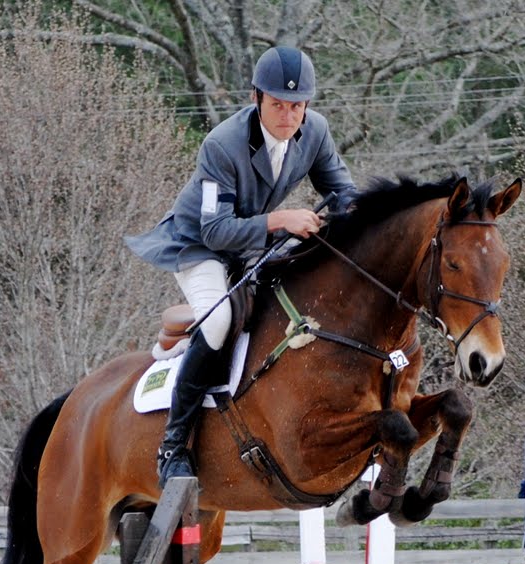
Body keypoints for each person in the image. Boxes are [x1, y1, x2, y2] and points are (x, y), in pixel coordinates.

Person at [126, 45, 358, 486]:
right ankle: (173, 446)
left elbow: (344, 193)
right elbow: (215, 232)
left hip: (250, 244)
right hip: (198, 245)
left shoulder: (316, 131)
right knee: (218, 322)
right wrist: (281, 220)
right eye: (278, 105)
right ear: (256, 98)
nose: (288, 116)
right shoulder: (222, 145)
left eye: (297, 106)